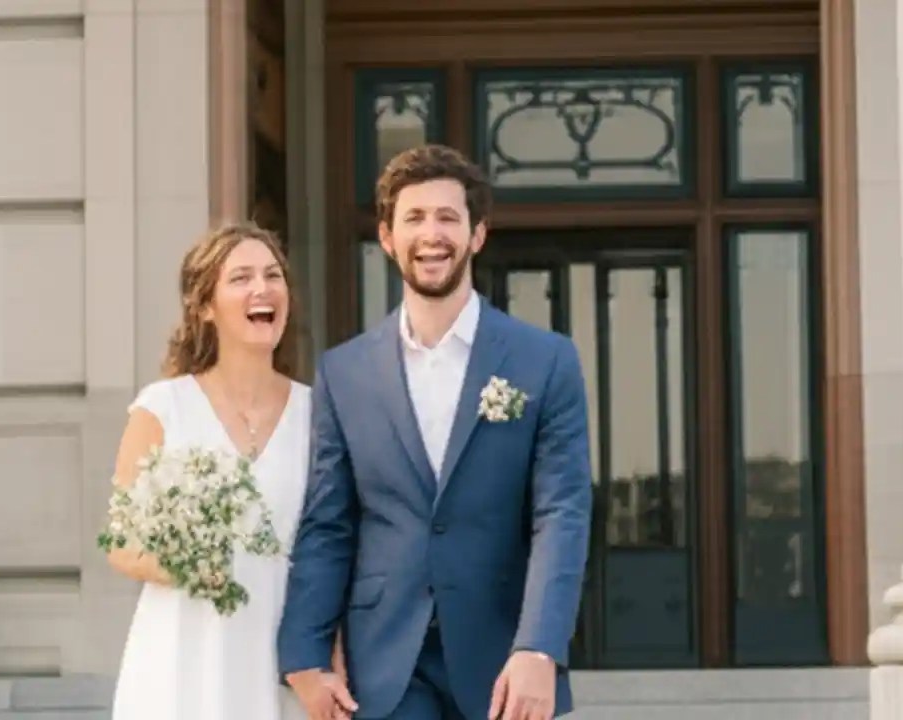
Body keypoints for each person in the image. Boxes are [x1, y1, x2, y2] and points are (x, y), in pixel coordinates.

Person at [277, 144, 594, 720]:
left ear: (477, 235)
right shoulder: (343, 373)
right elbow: (329, 522)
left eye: (448, 217)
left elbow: (563, 514)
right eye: (414, 218)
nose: (432, 234)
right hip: (386, 661)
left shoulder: (545, 361)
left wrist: (541, 647)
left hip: (504, 657)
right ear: (387, 237)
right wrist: (305, 650)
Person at [105, 222, 318, 719]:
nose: (261, 288)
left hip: (277, 647)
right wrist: (193, 563)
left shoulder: (317, 413)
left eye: (272, 275)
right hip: (185, 649)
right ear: (204, 307)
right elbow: (120, 542)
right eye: (240, 278)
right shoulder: (163, 408)